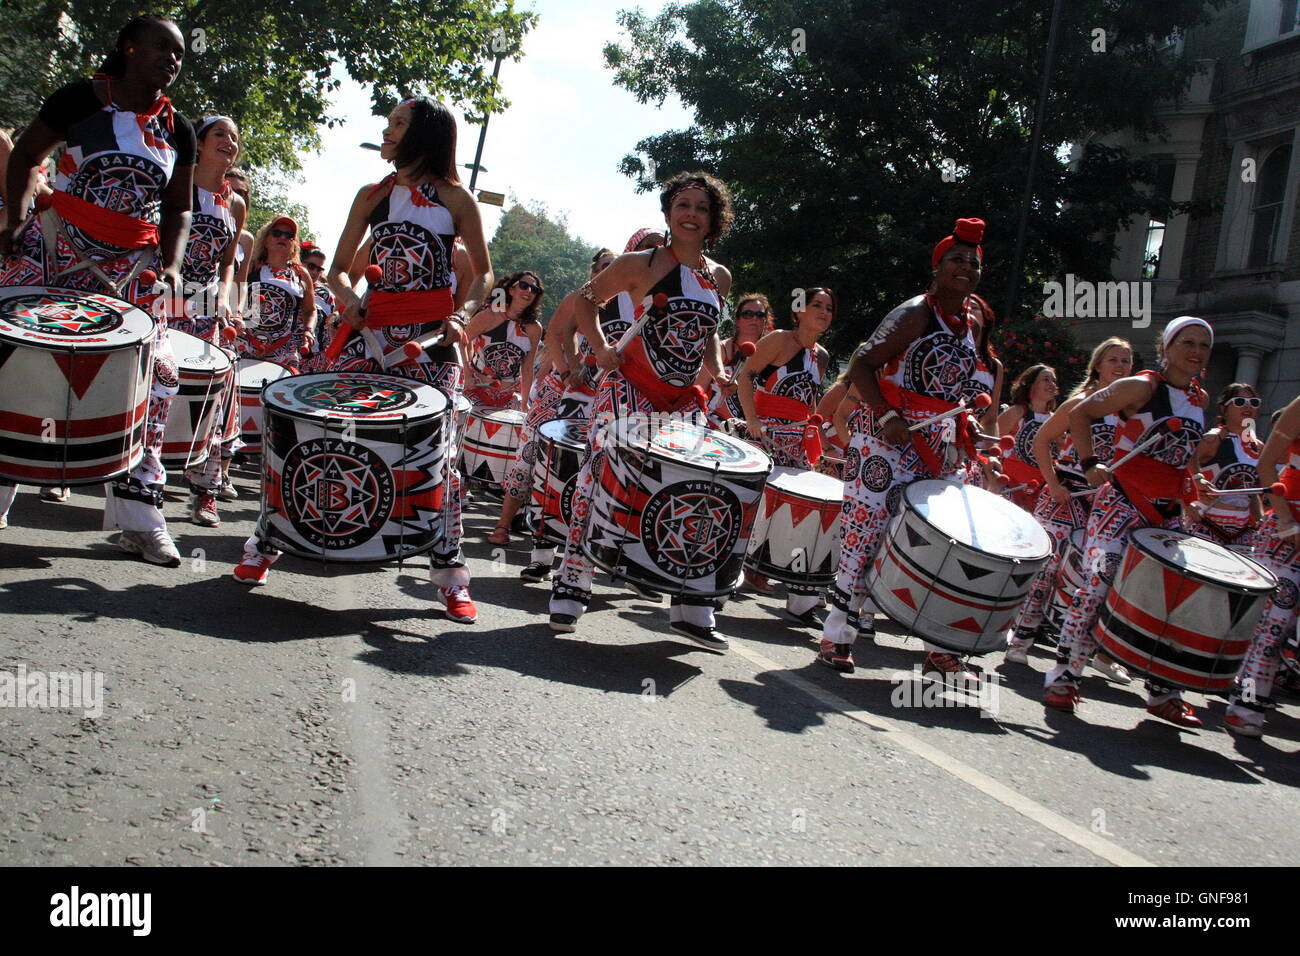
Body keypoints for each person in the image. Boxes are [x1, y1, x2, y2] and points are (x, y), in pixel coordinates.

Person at [235, 97, 490, 627]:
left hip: (430, 342)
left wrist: (462, 315)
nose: (387, 130)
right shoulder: (370, 196)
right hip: (366, 337)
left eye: (398, 123)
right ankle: (267, 540)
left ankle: (449, 575)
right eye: (389, 121)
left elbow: (484, 275)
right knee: (311, 429)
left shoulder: (456, 198)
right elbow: (338, 271)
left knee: (439, 454)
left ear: (424, 135)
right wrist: (348, 297)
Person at [0, 15, 195, 561]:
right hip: (58, 252)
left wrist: (175, 266)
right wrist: (15, 219)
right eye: (161, 46)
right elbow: (24, 155)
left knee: (158, 374)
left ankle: (138, 515)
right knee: (20, 364)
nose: (172, 59)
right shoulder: (81, 100)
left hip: (134, 270)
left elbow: (178, 207)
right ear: (128, 47)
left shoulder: (178, 129)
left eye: (179, 53)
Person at [548, 171, 735, 649]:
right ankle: (572, 582)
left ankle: (692, 606)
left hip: (680, 401)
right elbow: (584, 303)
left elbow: (708, 330)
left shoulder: (720, 277)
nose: (690, 214)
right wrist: (600, 345)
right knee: (598, 476)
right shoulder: (639, 263)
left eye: (700, 207)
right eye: (682, 205)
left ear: (713, 218)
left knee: (696, 487)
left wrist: (715, 369)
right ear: (669, 213)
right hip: (628, 388)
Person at [818, 217, 994, 675]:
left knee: (940, 540)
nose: (965, 267)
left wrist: (966, 419)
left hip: (938, 441)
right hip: (883, 438)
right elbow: (861, 363)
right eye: (955, 259)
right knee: (866, 530)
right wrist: (887, 414)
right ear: (937, 268)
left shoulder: (972, 322)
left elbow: (954, 386)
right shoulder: (915, 312)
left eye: (972, 262)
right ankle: (837, 631)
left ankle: (940, 643)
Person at [1042, 316, 1211, 726]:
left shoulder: (1199, 399)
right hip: (1121, 504)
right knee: (1098, 584)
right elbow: (1081, 413)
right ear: (1166, 347)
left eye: (1204, 345)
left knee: (1170, 599)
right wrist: (1089, 461)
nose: (1196, 351)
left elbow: (1180, 452)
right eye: (1187, 342)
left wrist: (1194, 483)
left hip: (1166, 514)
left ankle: (1162, 693)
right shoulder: (1142, 386)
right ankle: (1063, 674)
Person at [1003, 337, 1133, 671]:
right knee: (1046, 571)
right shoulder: (1082, 401)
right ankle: (1020, 638)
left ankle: (1084, 648)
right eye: (1114, 360)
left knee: (1097, 576)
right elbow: (1042, 440)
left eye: (1126, 361)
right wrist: (1053, 483)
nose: (1120, 366)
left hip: (1106, 504)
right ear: (1097, 366)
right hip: (1065, 494)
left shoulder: (1134, 409)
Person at [734, 287, 833, 622]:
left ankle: (800, 598)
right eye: (816, 305)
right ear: (799, 311)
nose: (823, 312)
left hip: (797, 443)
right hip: (765, 435)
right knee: (752, 505)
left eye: (828, 308)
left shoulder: (822, 356)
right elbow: (745, 376)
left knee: (804, 513)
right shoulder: (778, 339)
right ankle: (729, 573)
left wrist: (815, 435)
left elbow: (810, 401)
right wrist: (752, 421)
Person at [167, 116, 246, 528]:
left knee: (212, 401)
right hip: (163, 300)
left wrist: (228, 301)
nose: (229, 142)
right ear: (198, 143)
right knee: (154, 391)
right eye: (220, 134)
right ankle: (133, 483)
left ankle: (205, 493)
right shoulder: (175, 180)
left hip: (206, 309)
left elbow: (229, 263)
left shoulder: (235, 203)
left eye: (234, 137)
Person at [1226, 393, 1300, 737]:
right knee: (1272, 627)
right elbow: (1266, 465)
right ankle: (1246, 703)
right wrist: (1287, 519)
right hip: (1287, 532)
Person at [1189, 383, 1263, 555]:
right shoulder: (1212, 439)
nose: (1247, 406)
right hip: (1206, 523)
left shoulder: (1258, 447)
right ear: (1224, 409)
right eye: (1239, 401)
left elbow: (1251, 493)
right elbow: (1181, 467)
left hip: (1242, 530)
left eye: (1253, 402)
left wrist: (1260, 520)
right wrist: (1186, 504)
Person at [237, 216, 314, 371]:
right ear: (265, 240)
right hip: (245, 342)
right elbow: (234, 291)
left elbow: (310, 309)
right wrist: (236, 315)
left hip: (284, 349)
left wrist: (308, 330)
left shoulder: (301, 274)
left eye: (289, 236)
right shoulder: (251, 267)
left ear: (294, 245)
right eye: (277, 233)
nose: (283, 238)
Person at [463, 271, 542, 410]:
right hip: (475, 389)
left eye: (534, 289)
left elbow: (528, 367)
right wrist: (467, 374)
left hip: (508, 396)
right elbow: (460, 341)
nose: (529, 291)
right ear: (511, 290)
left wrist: (524, 402)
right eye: (523, 285)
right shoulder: (489, 316)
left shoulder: (534, 328)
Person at [994, 364, 1057, 509]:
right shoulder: (1016, 412)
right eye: (1046, 380)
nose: (1052, 385)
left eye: (1054, 381)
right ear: (1031, 385)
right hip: (1007, 488)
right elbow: (989, 441)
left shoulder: (1055, 419)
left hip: (1038, 492)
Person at [707, 292, 772, 428]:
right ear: (737, 320)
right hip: (711, 426)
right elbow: (698, 388)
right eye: (748, 314)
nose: (754, 318)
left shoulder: (772, 357)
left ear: (765, 321)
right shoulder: (722, 349)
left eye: (760, 315)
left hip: (748, 434)